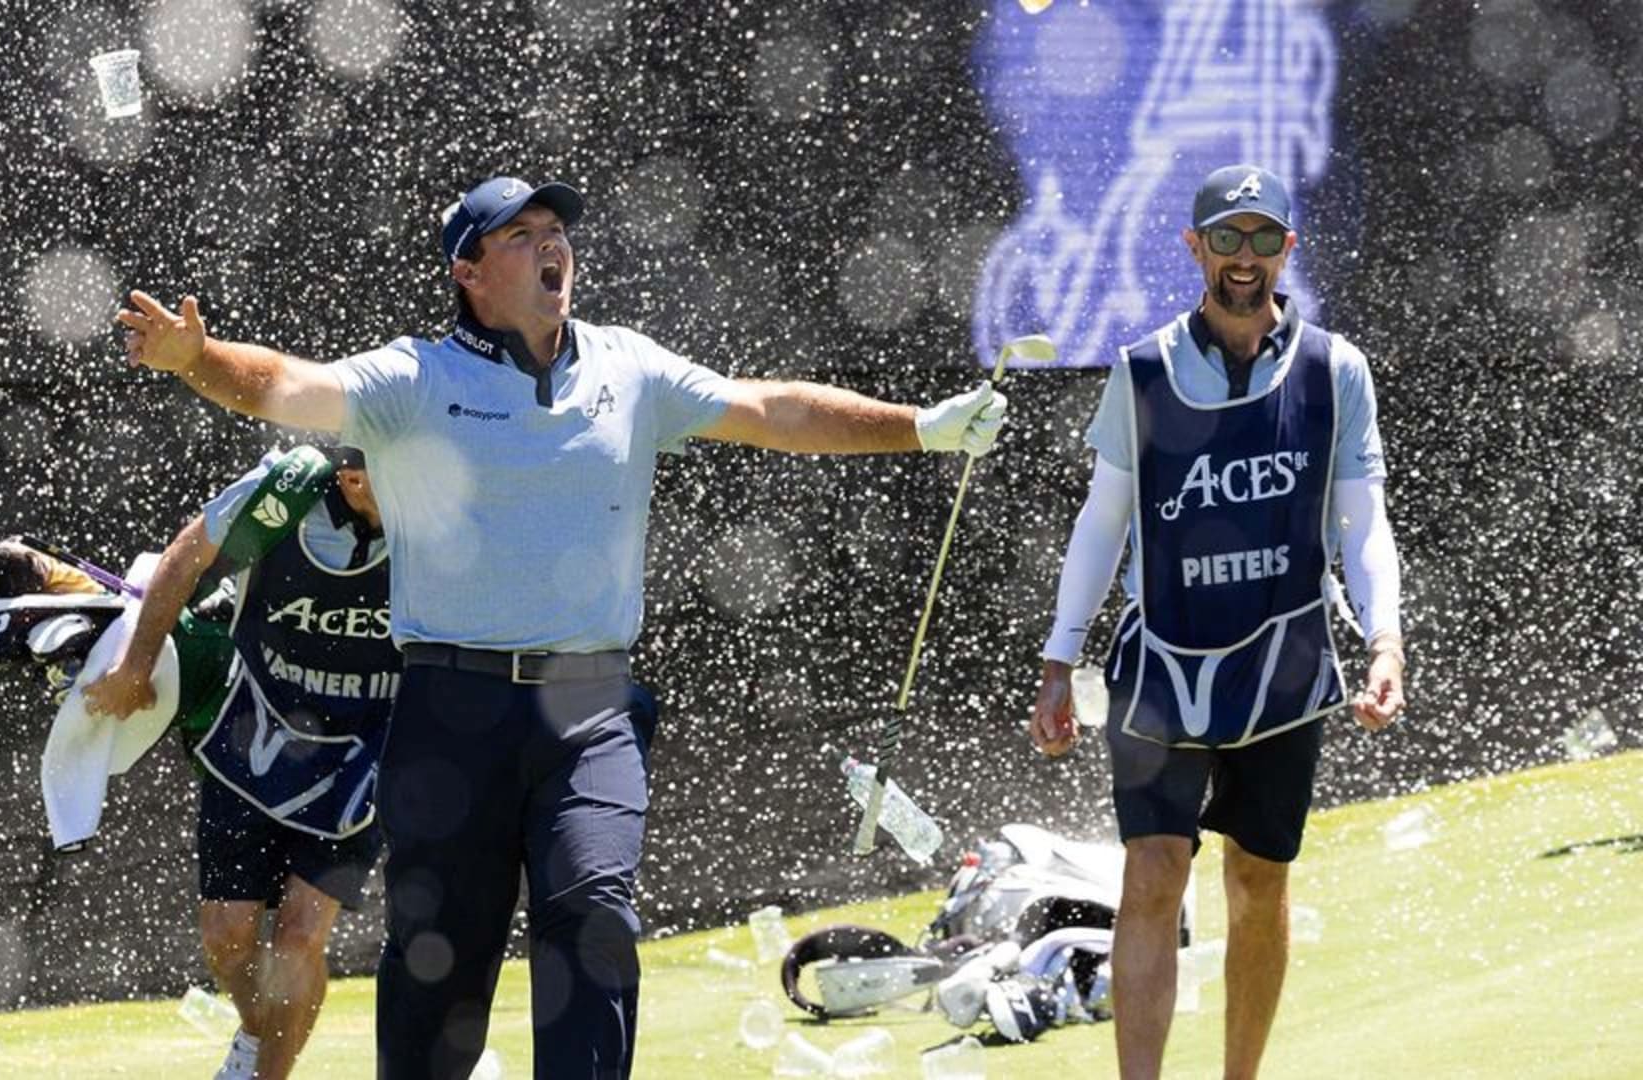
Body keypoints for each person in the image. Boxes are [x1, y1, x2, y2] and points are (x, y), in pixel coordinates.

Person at [114, 173, 1008, 1080]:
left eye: (557, 230)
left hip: (590, 710)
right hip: (447, 711)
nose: (554, 246)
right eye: (522, 234)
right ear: (468, 271)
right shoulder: (414, 378)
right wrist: (197, 357)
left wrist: (923, 429)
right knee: (440, 966)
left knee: (593, 914)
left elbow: (770, 410)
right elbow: (287, 386)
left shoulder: (630, 367)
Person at [1025, 164, 1406, 1080]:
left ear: (1287, 250)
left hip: (1288, 667)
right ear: (1195, 247)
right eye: (1226, 239)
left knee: (1257, 878)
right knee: (1154, 870)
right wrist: (1056, 659)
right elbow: (1102, 523)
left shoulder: (1334, 370)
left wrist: (1384, 637)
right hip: (1162, 668)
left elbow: (1363, 524)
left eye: (1263, 238)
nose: (1245, 259)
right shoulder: (1144, 370)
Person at [83, 445, 397, 1080]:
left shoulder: (446, 507)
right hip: (254, 735)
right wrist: (136, 663)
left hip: (368, 754)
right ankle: (260, 1040)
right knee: (227, 935)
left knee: (300, 940)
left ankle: (264, 1073)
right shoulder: (286, 489)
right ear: (351, 474)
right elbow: (186, 555)